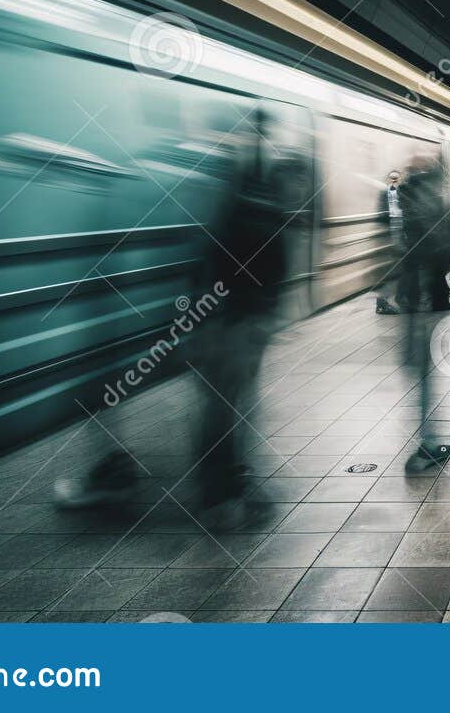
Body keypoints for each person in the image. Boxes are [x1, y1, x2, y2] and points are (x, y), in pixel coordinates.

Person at [54, 105, 287, 529]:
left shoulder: (246, 183)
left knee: (226, 406)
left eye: (255, 134)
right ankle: (219, 494)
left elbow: (246, 253)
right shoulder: (237, 184)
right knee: (222, 406)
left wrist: (257, 312)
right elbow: (217, 254)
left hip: (235, 319)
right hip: (225, 318)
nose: (251, 141)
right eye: (249, 134)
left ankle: (224, 488)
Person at [398, 153, 450, 472]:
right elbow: (439, 251)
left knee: (419, 370)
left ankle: (428, 441)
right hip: (425, 296)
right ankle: (427, 446)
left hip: (411, 294)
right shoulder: (432, 199)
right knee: (425, 372)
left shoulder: (405, 195)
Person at [375, 169, 405, 313]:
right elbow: (380, 214)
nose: (394, 180)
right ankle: (382, 301)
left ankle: (396, 297)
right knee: (396, 267)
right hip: (391, 234)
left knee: (400, 267)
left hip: (401, 233)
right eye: (392, 178)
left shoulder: (404, 193)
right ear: (388, 179)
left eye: (397, 178)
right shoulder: (383, 193)